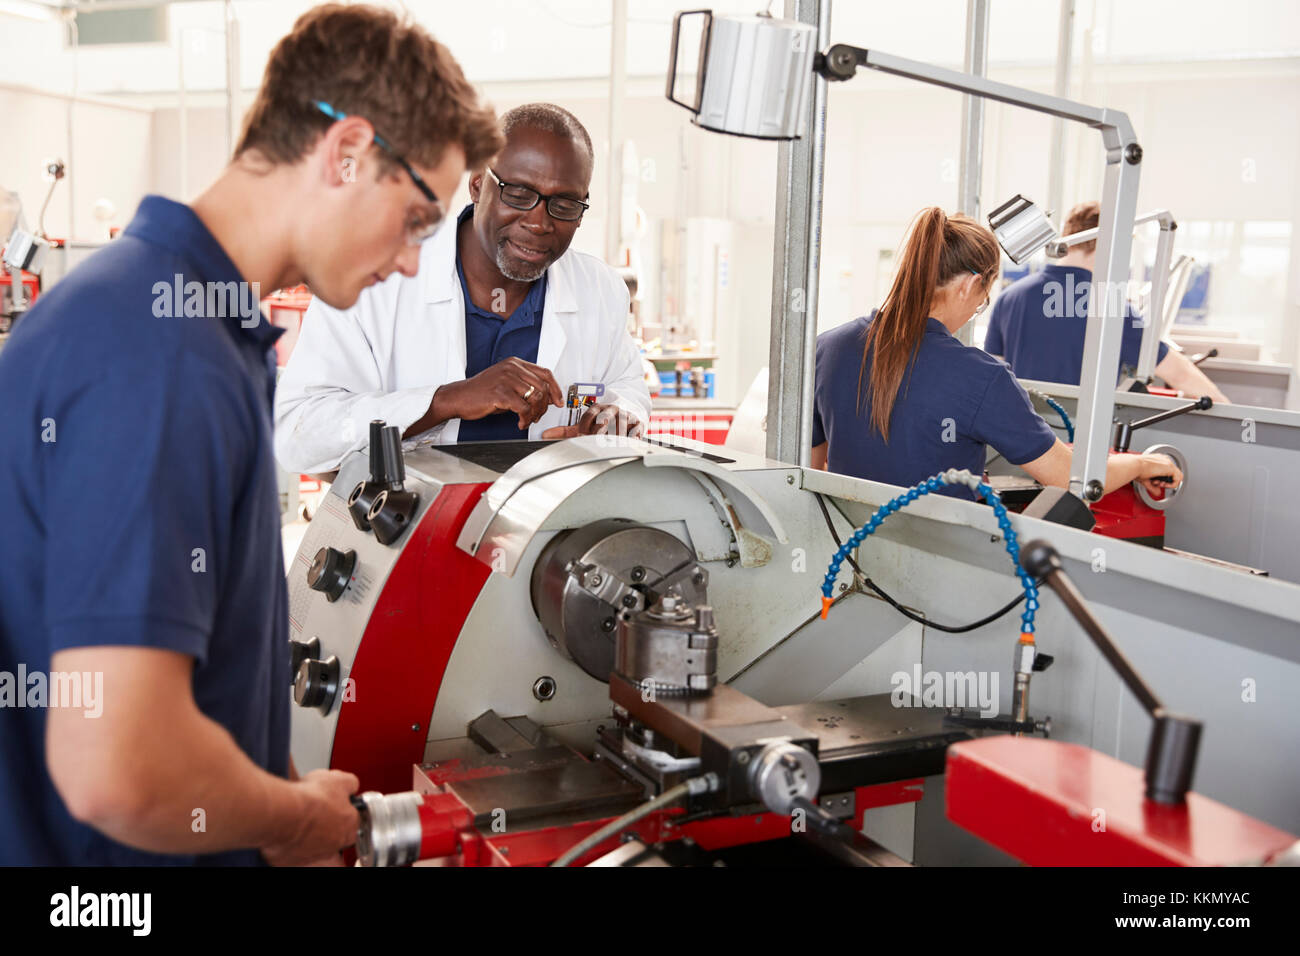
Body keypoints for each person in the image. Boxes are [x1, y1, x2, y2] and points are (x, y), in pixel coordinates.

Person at [0, 4, 502, 865]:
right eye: (421, 216)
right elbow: (119, 769)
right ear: (346, 152)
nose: (418, 259)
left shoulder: (183, 322)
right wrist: (295, 820)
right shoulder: (160, 353)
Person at [274, 104, 651, 476]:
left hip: (545, 531)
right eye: (518, 194)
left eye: (564, 204)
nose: (539, 222)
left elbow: (628, 391)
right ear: (477, 185)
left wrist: (614, 420)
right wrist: (445, 401)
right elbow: (297, 434)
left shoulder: (600, 291)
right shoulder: (368, 281)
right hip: (405, 532)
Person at [811, 208, 1182, 500]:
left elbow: (813, 468)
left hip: (846, 553)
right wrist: (1141, 464)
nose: (977, 309)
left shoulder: (828, 347)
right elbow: (1068, 475)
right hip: (938, 562)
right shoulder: (979, 376)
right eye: (981, 301)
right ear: (972, 284)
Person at [984, 201, 1228, 402]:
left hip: (1015, 441)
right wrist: (1232, 413)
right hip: (1076, 440)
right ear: (1109, 244)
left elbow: (993, 372)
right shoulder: (1108, 304)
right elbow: (1179, 375)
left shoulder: (1010, 296)